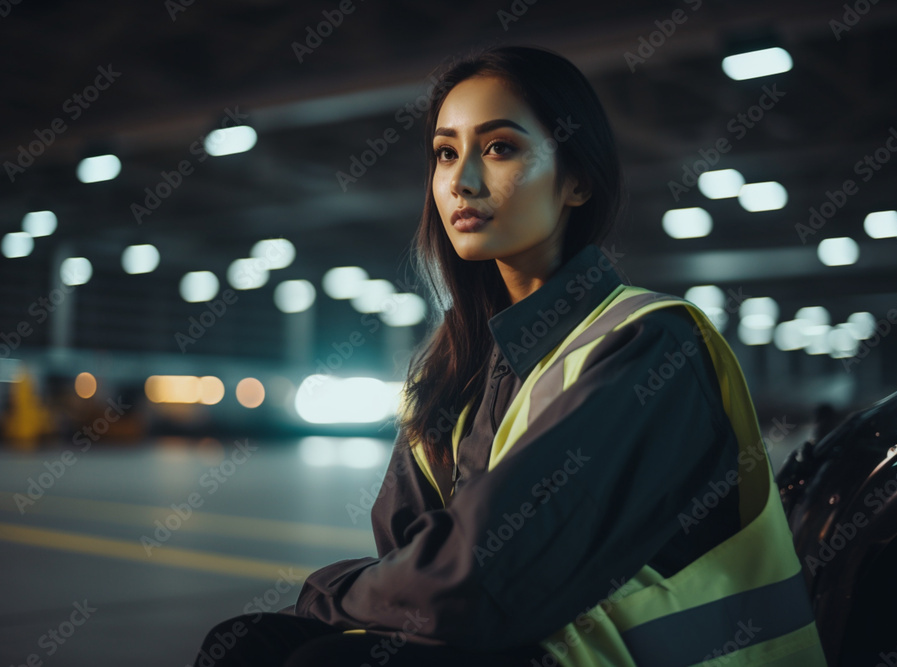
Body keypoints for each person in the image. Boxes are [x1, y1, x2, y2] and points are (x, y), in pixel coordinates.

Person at [192, 43, 828, 667]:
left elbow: (474, 583)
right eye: (445, 153)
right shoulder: (453, 371)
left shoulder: (647, 343)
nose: (461, 180)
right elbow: (408, 557)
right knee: (245, 645)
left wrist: (326, 595)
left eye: (499, 148)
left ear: (577, 179)